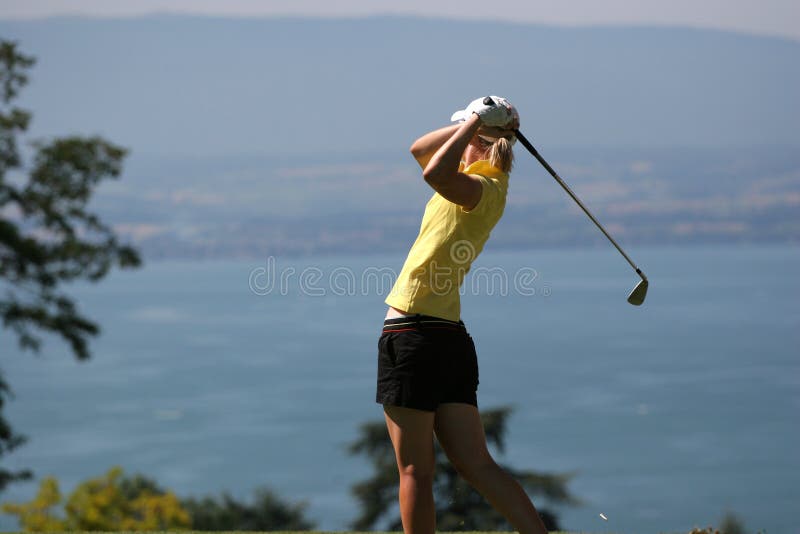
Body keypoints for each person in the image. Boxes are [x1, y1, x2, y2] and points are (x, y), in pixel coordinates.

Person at [376, 96, 550, 534]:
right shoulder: (487, 184)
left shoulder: (477, 189)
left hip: (412, 332)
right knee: (477, 465)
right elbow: (419, 150)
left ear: (478, 143)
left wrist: (472, 122)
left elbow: (432, 168)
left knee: (415, 470)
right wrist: (474, 125)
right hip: (448, 337)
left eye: (467, 136)